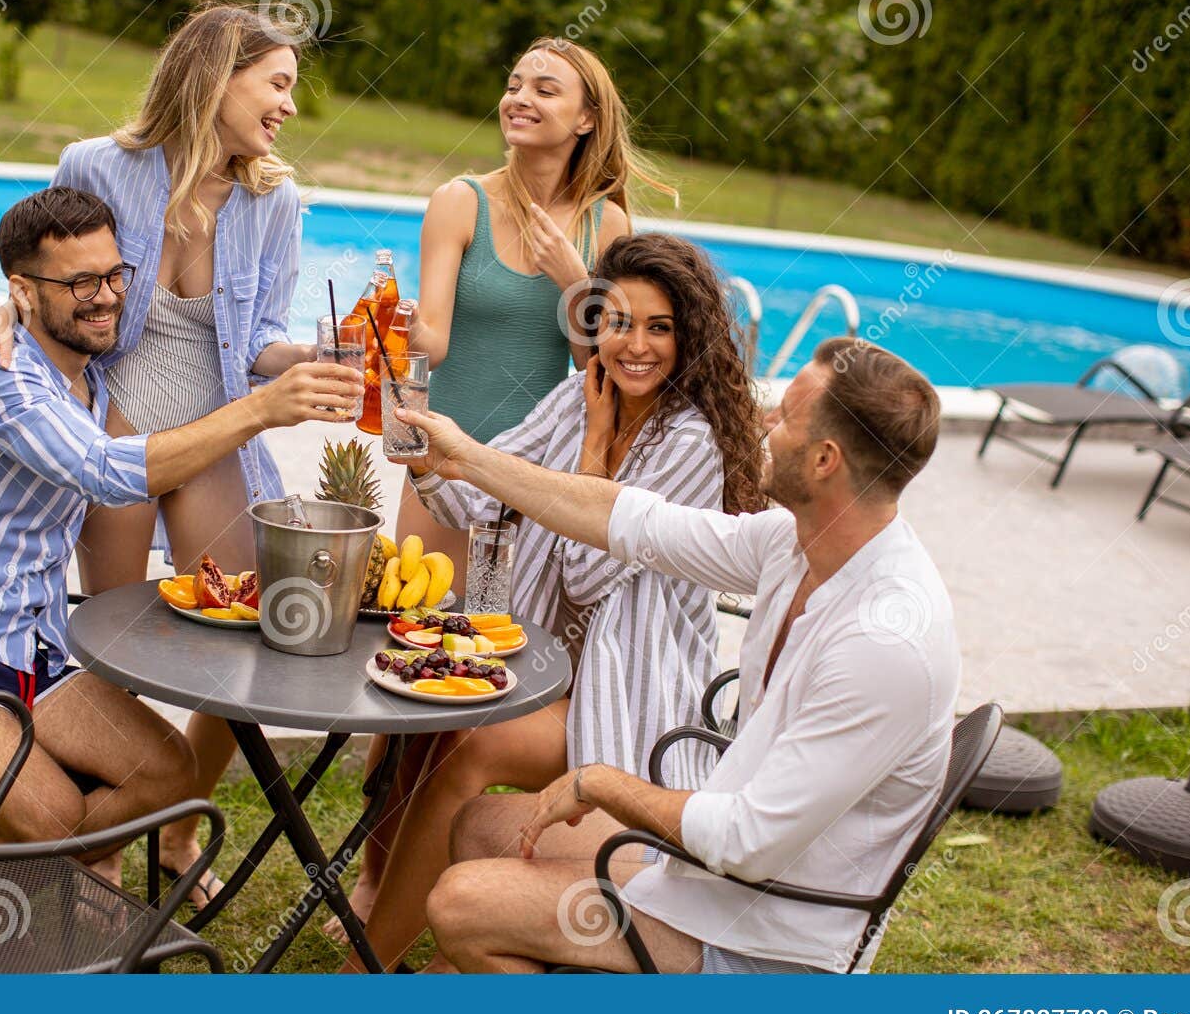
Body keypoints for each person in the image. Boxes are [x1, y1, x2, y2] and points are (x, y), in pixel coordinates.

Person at [393, 336, 955, 973]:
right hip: (710, 876)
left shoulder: (884, 645)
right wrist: (464, 459)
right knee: (480, 827)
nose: (767, 425)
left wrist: (599, 781)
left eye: (787, 418)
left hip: (765, 941)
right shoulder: (796, 543)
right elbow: (631, 520)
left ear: (825, 459)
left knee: (463, 904)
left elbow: (749, 842)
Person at [0, 187, 360, 885]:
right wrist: (259, 411)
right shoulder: (2, 378)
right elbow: (104, 470)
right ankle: (29, 881)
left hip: (33, 648)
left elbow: (195, 353)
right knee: (54, 813)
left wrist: (2, 312)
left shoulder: (94, 374)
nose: (103, 298)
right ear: (25, 290)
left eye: (112, 275)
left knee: (171, 774)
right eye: (78, 283)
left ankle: (37, 872)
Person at [0, 2, 315, 894]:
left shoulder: (276, 199)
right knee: (115, 647)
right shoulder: (99, 166)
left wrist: (312, 357)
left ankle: (178, 830)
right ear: (218, 75)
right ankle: (110, 844)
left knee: (246, 640)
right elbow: (45, 269)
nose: (289, 109)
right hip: (113, 427)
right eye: (277, 84)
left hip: (214, 428)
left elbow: (260, 335)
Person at [340, 235, 766, 970]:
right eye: (618, 321)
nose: (634, 345)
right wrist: (424, 454)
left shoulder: (693, 443)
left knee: (472, 741)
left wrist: (596, 452)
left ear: (688, 336)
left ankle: (363, 971)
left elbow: (587, 572)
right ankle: (380, 891)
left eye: (658, 327)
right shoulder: (579, 393)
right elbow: (484, 484)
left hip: (622, 696)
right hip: (536, 659)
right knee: (424, 714)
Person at [397, 36, 677, 568]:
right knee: (412, 625)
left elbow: (598, 370)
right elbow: (431, 342)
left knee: (505, 637)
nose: (520, 98)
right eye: (514, 85)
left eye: (545, 90)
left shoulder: (606, 223)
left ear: (586, 120)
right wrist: (391, 326)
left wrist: (575, 281)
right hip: (440, 459)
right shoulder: (460, 202)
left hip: (535, 472)